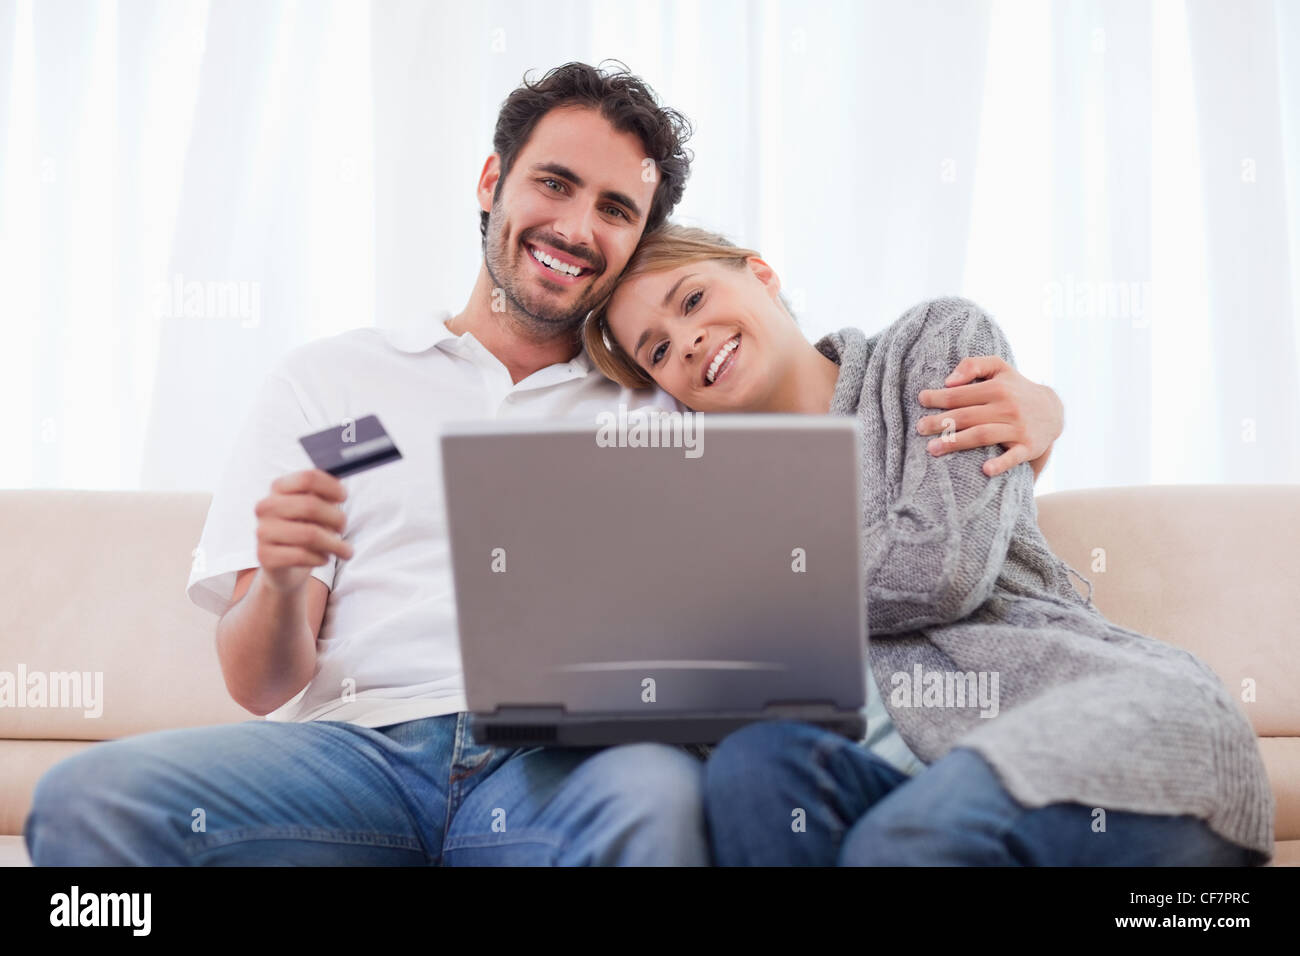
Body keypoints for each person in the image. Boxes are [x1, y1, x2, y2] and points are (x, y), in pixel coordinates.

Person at [22, 62, 1061, 867]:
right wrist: (286, 576)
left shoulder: (666, 389)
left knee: (659, 806)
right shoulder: (334, 382)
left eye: (616, 209)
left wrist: (1037, 407)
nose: (576, 226)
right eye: (555, 184)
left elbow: (843, 421)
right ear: (492, 182)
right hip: (361, 750)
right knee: (82, 803)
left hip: (574, 763)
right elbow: (259, 682)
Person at [584, 223, 1275, 866]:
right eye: (659, 351)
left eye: (694, 299)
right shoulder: (718, 519)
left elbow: (940, 566)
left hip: (1110, 732)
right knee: (751, 770)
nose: (689, 342)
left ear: (761, 275)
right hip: (894, 791)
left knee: (902, 844)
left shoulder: (926, 345)